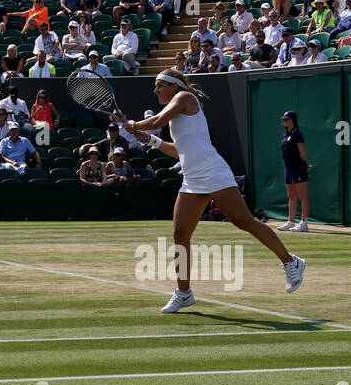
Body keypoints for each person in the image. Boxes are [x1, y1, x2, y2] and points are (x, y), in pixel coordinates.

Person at [125, 69, 305, 313]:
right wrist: (152, 141)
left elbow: (157, 121)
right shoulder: (178, 112)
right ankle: (184, 293)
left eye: (159, 85)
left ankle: (291, 262)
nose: (155, 90)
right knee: (180, 235)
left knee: (244, 221)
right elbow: (180, 151)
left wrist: (134, 124)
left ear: (174, 86)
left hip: (213, 171)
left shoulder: (185, 98)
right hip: (192, 178)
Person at [277, 111, 311, 232]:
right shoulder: (284, 135)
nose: (285, 121)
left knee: (303, 196)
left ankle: (304, 223)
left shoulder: (297, 134)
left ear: (293, 120)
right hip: (288, 168)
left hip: (298, 168)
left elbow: (303, 154)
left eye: (287, 119)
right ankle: (291, 221)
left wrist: (303, 163)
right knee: (291, 196)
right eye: (284, 120)